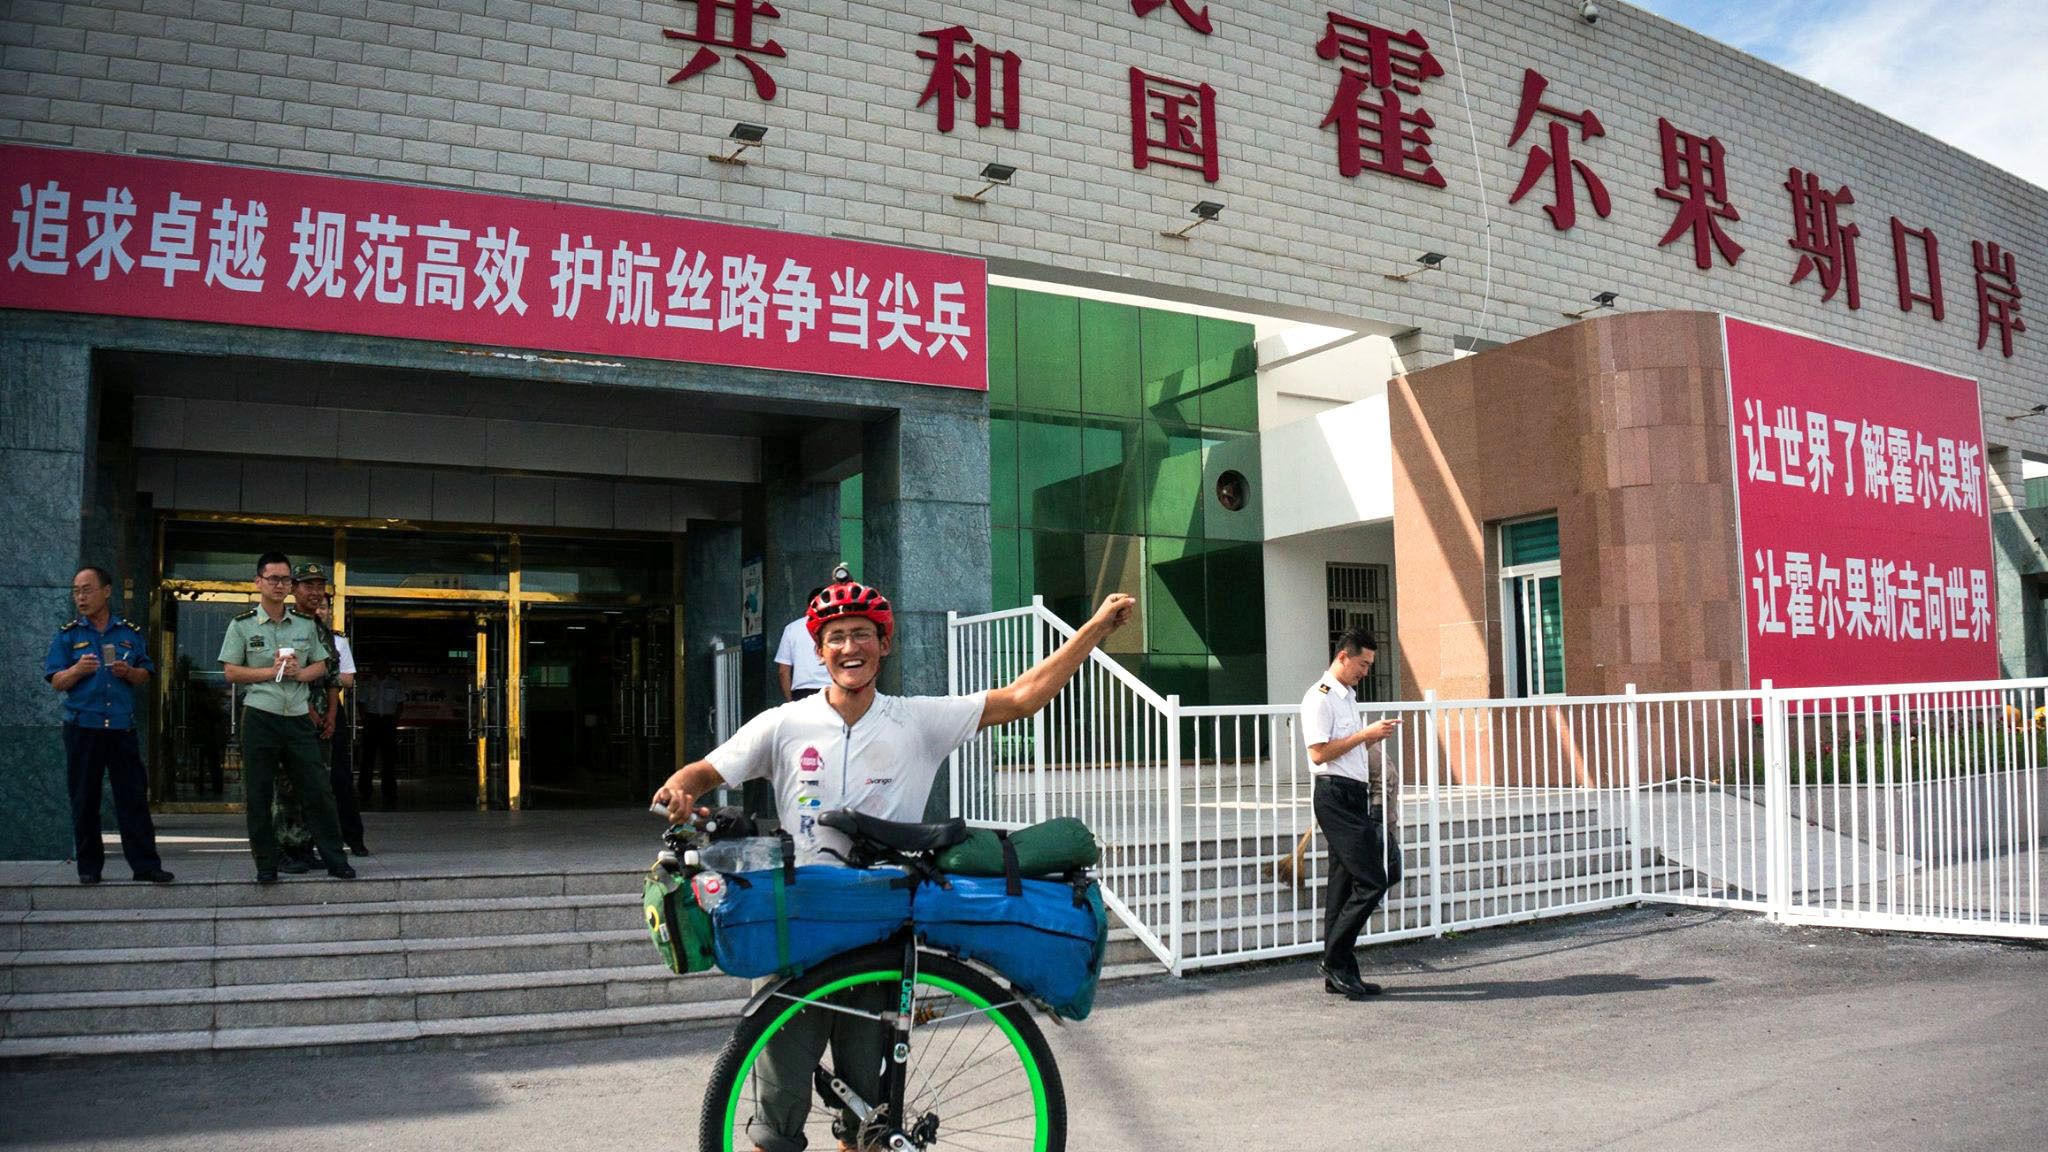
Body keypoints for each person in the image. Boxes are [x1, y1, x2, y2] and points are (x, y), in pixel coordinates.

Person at [654, 574, 1134, 1152]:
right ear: (819, 649)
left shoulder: (916, 720)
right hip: (799, 925)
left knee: (869, 1123)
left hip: (876, 932)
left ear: (885, 644)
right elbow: (706, 771)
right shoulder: (783, 724)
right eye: (836, 637)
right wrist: (679, 789)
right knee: (773, 1127)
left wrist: (1095, 630)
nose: (849, 647)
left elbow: (1023, 696)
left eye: (863, 634)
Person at [219, 552, 355, 884]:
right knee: (260, 795)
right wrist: (270, 671)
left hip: (297, 717)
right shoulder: (242, 624)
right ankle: (266, 865)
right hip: (261, 716)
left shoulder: (306, 625)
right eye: (273, 579)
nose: (279, 585)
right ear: (258, 582)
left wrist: (300, 673)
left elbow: (323, 665)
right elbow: (231, 672)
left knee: (318, 790)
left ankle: (336, 859)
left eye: (284, 580)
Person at [43, 566, 173, 885]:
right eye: (76, 591)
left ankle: (145, 865)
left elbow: (146, 674)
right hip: (82, 727)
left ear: (107, 591)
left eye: (87, 589)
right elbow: (56, 681)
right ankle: (89, 867)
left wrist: (129, 672)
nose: (81, 597)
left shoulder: (129, 633)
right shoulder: (69, 634)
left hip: (120, 728)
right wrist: (76, 670)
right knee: (84, 797)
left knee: (132, 798)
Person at [1301, 628, 1404, 1000]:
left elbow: (1343, 749)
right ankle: (1334, 958)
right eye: (1362, 664)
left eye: (1370, 665)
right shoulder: (1320, 697)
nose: (1366, 671)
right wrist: (1364, 736)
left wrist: (1371, 738)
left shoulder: (1348, 697)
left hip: (1353, 793)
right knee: (1377, 877)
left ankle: (1340, 970)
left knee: (1342, 887)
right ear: (1343, 657)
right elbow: (1318, 754)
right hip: (1333, 795)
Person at [293, 563, 368, 855]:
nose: (319, 607)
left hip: (331, 713)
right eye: (309, 590)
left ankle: (352, 838)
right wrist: (311, 709)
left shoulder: (335, 639)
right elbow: (291, 677)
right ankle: (301, 843)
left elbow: (343, 679)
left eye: (324, 602)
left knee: (339, 779)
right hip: (298, 711)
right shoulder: (290, 631)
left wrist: (331, 716)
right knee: (301, 780)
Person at [357, 663, 403, 809]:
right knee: (367, 758)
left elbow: (400, 703)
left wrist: (394, 720)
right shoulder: (368, 683)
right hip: (372, 720)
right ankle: (364, 790)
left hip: (388, 720)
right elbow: (361, 703)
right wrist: (365, 720)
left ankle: (389, 791)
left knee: (389, 758)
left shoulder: (395, 684)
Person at [773, 587, 830, 701]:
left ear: (809, 606)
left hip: (803, 693)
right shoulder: (837, 626)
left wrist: (791, 703)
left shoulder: (792, 628)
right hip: (834, 691)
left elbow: (783, 671)